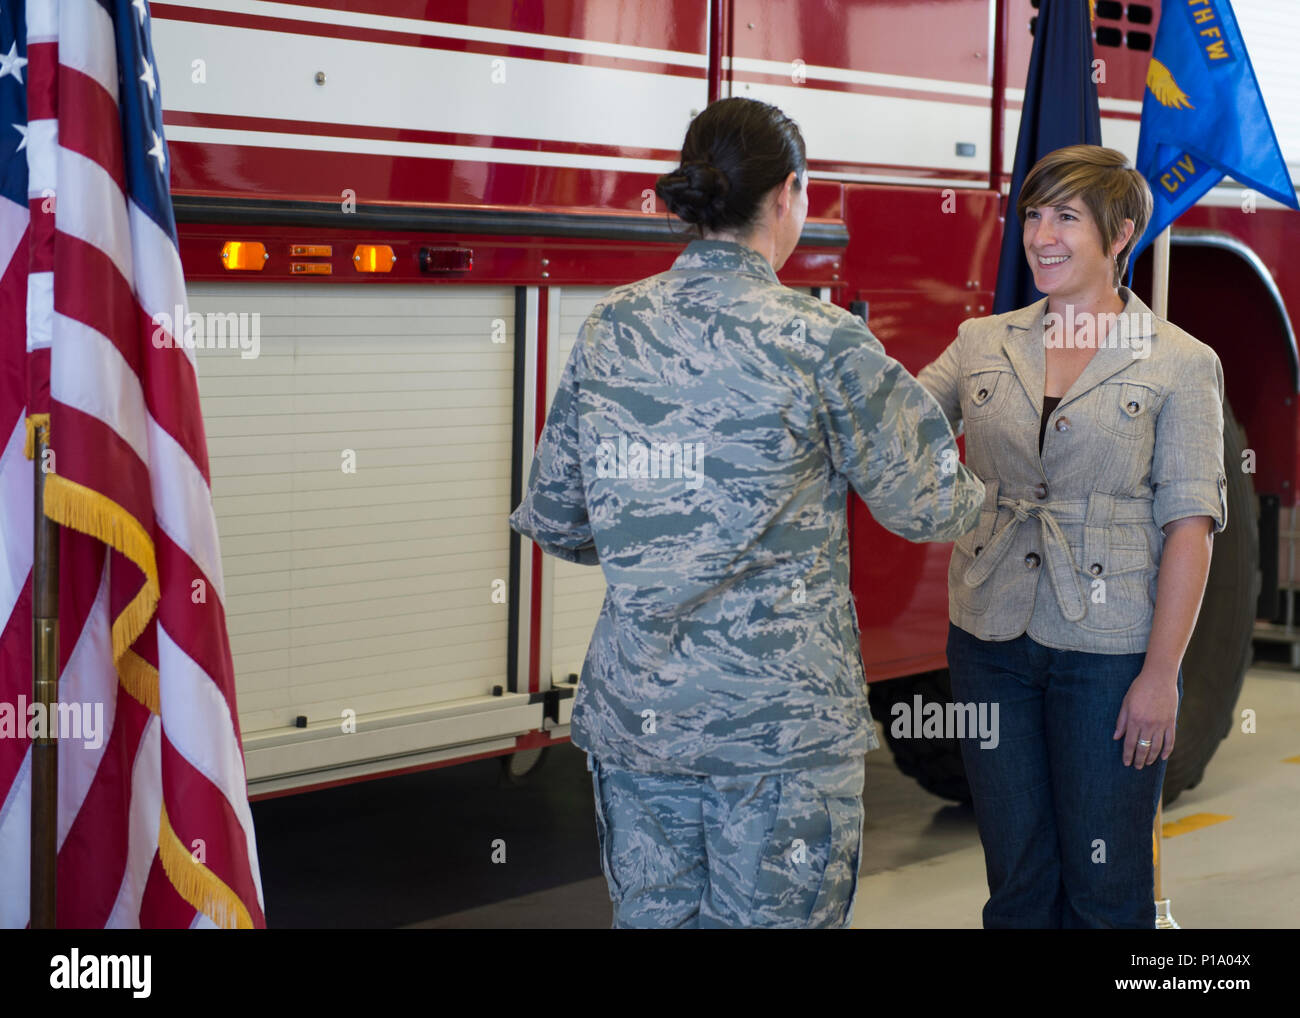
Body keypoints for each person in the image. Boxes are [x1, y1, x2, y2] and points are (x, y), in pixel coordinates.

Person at [509, 97, 984, 929]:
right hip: (780, 737)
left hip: (640, 724)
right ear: (790, 193)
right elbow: (931, 505)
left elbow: (558, 517)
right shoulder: (822, 340)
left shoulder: (610, 327)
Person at [917, 144, 1227, 929]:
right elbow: (899, 427)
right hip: (989, 639)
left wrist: (1162, 675)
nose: (1041, 235)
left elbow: (1191, 528)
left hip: (1113, 653)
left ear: (1120, 233)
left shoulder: (1182, 363)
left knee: (1106, 892)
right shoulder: (982, 341)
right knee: (1018, 885)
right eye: (1032, 215)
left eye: (1066, 217)